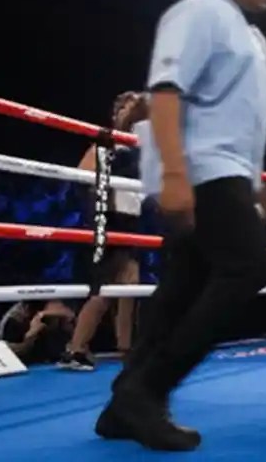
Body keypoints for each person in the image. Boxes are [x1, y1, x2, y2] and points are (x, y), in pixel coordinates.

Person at [96, 0, 266, 452]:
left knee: (182, 286)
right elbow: (167, 90)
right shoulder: (199, 13)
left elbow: (236, 114)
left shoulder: (251, 38)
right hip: (200, 169)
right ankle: (148, 389)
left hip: (223, 169)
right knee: (246, 269)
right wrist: (175, 173)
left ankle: (121, 405)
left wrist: (256, 180)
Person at [59, 91, 149, 372]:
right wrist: (102, 201)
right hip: (109, 218)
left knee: (130, 285)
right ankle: (75, 349)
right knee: (107, 286)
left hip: (130, 217)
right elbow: (82, 177)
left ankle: (125, 347)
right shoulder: (106, 139)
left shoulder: (141, 141)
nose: (130, 110)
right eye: (125, 105)